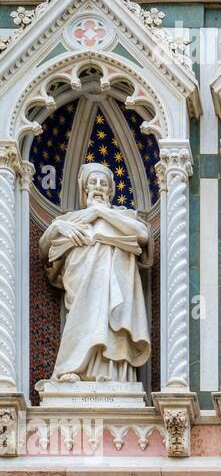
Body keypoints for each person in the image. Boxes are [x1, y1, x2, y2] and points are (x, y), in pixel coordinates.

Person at [39, 162, 151, 383]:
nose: (98, 186)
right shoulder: (70, 219)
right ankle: (72, 367)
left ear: (110, 190)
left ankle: (111, 374)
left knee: (109, 318)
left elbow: (142, 235)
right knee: (83, 317)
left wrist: (100, 212)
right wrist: (56, 228)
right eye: (93, 182)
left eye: (103, 183)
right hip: (80, 282)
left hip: (115, 285)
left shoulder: (124, 216)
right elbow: (44, 249)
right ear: (85, 188)